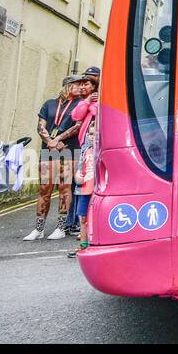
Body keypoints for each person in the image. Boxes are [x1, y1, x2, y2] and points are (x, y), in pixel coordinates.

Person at [24, 76, 86, 241]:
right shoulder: (49, 104)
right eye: (77, 85)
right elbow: (40, 126)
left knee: (64, 188)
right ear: (67, 86)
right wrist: (50, 141)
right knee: (44, 189)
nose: (80, 87)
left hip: (69, 149)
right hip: (48, 149)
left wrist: (58, 139)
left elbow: (78, 125)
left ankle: (61, 227)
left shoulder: (81, 104)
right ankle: (38, 229)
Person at [67, 79, 101, 259]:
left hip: (94, 182)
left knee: (95, 213)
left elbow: (99, 114)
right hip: (84, 182)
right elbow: (76, 116)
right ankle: (83, 242)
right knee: (83, 214)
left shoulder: (101, 100)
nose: (83, 87)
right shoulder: (83, 102)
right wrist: (87, 103)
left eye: (87, 84)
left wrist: (94, 105)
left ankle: (93, 243)